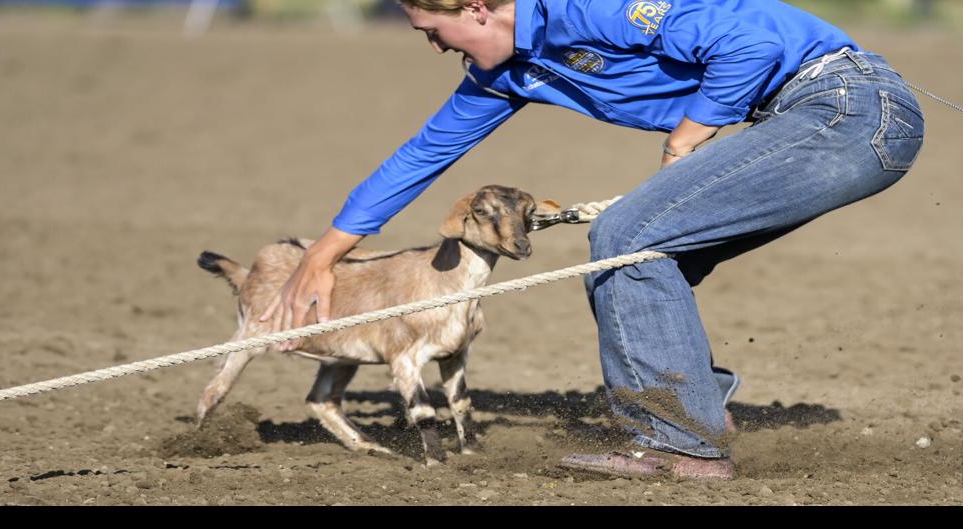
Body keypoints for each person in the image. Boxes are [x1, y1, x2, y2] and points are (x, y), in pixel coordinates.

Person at [265, 0, 925, 480]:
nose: (434, 48)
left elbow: (748, 49)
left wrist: (685, 139)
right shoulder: (507, 71)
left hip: (846, 108)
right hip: (817, 119)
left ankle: (678, 443)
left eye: (432, 31)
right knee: (644, 252)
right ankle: (696, 409)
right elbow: (422, 155)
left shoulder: (583, 6)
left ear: (476, 9)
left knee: (627, 235)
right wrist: (322, 257)